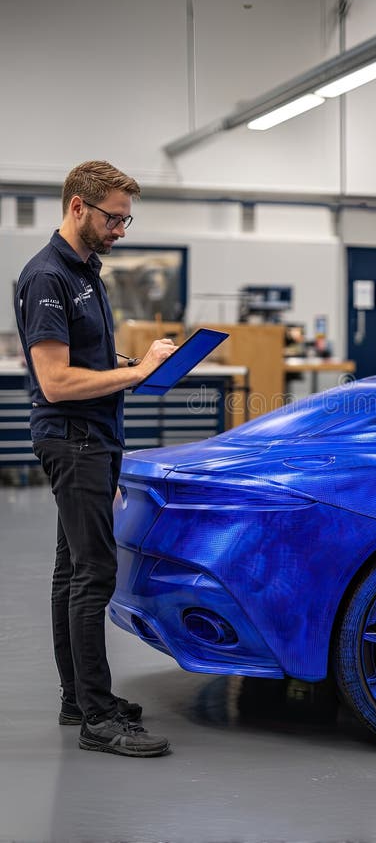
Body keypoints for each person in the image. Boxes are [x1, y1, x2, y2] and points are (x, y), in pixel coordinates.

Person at [14, 161, 175, 757]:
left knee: (72, 570)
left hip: (96, 436)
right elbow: (55, 382)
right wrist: (135, 374)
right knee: (95, 573)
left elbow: (87, 359)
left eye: (127, 220)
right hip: (74, 438)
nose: (121, 230)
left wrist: (133, 363)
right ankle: (99, 719)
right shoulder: (47, 276)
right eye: (114, 218)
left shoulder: (86, 271)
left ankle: (78, 700)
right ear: (78, 207)